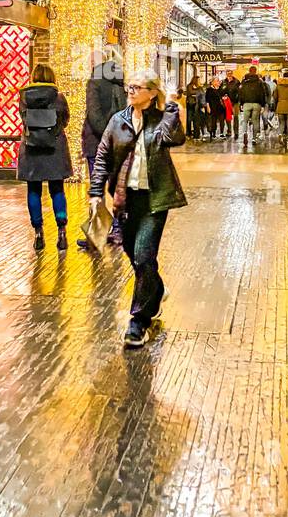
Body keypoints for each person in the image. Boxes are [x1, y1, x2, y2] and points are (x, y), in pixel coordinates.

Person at [89, 72, 186, 349]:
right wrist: (96, 193)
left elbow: (173, 137)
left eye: (137, 87)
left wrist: (170, 105)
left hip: (155, 199)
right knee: (134, 254)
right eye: (128, 86)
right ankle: (154, 288)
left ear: (152, 93)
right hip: (125, 200)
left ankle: (138, 321)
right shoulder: (118, 121)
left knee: (144, 256)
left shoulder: (160, 119)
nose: (130, 91)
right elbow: (103, 157)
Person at [18, 63, 72, 252]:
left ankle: (38, 232)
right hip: (55, 149)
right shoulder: (58, 98)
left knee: (34, 190)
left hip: (31, 149)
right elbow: (65, 120)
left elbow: (23, 120)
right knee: (57, 190)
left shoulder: (24, 97)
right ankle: (62, 230)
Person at [78, 47, 126, 248]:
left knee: (97, 189)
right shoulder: (120, 80)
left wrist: (103, 135)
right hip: (118, 142)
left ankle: (97, 234)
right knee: (115, 188)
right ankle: (118, 230)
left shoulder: (95, 81)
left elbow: (94, 114)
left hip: (97, 143)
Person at [238, 63, 267, 148]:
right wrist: (262, 105)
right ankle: (254, 138)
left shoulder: (244, 81)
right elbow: (262, 94)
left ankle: (244, 133)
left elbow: (241, 93)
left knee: (245, 120)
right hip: (257, 104)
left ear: (249, 71)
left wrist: (241, 103)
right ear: (256, 71)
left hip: (246, 104)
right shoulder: (259, 82)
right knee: (255, 121)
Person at [221, 70, 241, 140]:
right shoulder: (223, 82)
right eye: (228, 73)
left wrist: (237, 100)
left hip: (235, 102)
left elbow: (239, 92)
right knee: (228, 117)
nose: (229, 75)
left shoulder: (236, 81)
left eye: (230, 73)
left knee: (236, 117)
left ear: (232, 74)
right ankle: (229, 131)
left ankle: (236, 132)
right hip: (226, 102)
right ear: (226, 74)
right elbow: (221, 91)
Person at [185, 73, 204, 139]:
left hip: (197, 105)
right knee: (189, 119)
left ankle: (196, 133)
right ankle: (189, 133)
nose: (199, 81)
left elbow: (202, 93)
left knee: (196, 120)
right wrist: (197, 93)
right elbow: (190, 92)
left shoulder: (200, 87)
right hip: (190, 104)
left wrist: (196, 94)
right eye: (198, 80)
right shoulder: (189, 86)